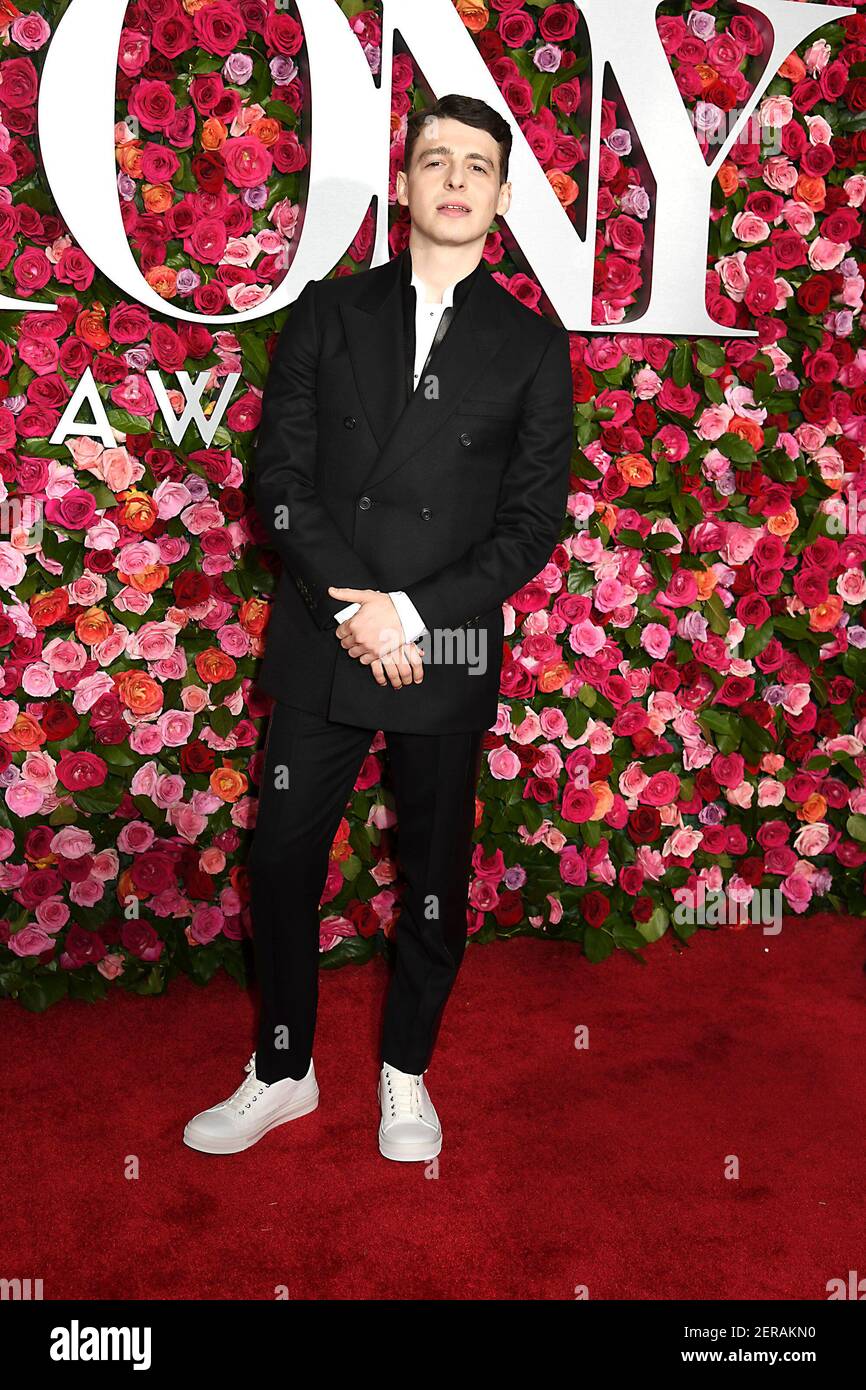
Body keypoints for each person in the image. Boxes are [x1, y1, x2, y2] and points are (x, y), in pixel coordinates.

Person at [183, 93, 574, 1161]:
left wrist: (410, 612)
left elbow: (530, 523)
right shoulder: (330, 311)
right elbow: (280, 480)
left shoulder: (532, 349)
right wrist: (358, 608)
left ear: (499, 195)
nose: (453, 179)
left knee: (434, 880)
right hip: (325, 630)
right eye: (434, 159)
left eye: (476, 165)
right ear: (402, 185)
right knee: (277, 862)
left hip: (442, 645)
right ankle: (281, 1067)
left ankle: (405, 1070)